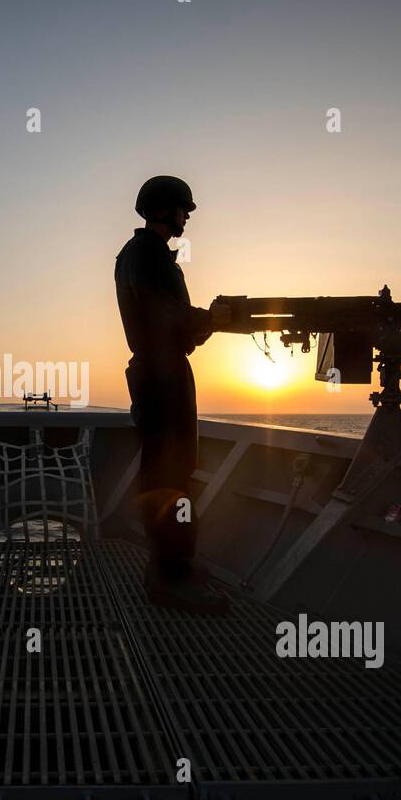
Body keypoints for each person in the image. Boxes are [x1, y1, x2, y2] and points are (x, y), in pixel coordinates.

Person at [114, 175, 231, 615]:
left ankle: (169, 568)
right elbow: (169, 318)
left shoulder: (146, 255)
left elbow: (178, 325)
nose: (187, 217)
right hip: (161, 376)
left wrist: (206, 322)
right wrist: (211, 318)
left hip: (162, 372)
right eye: (184, 209)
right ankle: (172, 578)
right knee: (170, 477)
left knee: (172, 474)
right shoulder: (146, 253)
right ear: (164, 209)